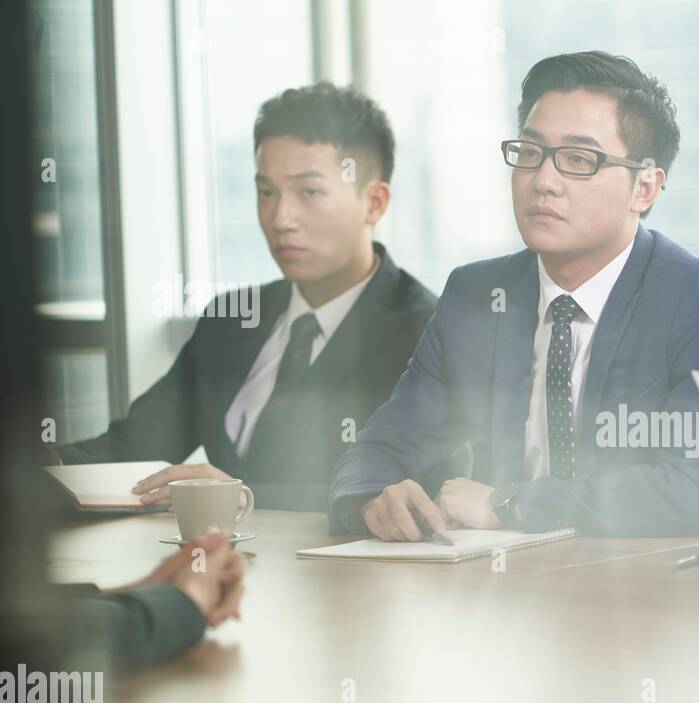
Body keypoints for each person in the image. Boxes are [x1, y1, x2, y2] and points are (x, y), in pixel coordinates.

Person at [329, 52, 699, 539]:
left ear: (645, 188)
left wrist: (511, 503)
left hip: (634, 589)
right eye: (529, 153)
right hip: (498, 592)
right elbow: (378, 450)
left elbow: (698, 485)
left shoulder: (696, 298)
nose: (543, 181)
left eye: (578, 160)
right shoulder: (478, 295)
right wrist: (373, 498)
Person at [55, 82, 437, 512]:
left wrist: (241, 497)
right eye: (266, 192)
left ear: (374, 202)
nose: (280, 218)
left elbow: (421, 492)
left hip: (345, 577)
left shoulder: (427, 331)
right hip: (220, 568)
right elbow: (135, 445)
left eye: (308, 192)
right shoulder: (231, 318)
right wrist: (42, 465)